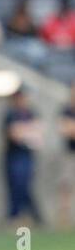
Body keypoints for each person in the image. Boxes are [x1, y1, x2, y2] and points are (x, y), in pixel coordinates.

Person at [2, 88, 43, 223]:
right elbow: (13, 134)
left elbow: (38, 135)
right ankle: (16, 215)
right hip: (14, 155)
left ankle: (30, 216)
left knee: (25, 185)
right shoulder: (10, 114)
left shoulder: (31, 113)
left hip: (27, 155)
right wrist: (27, 132)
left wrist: (23, 131)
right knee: (16, 185)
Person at [59, 84, 75, 227]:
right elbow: (66, 130)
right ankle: (65, 219)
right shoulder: (67, 110)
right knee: (66, 185)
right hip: (70, 154)